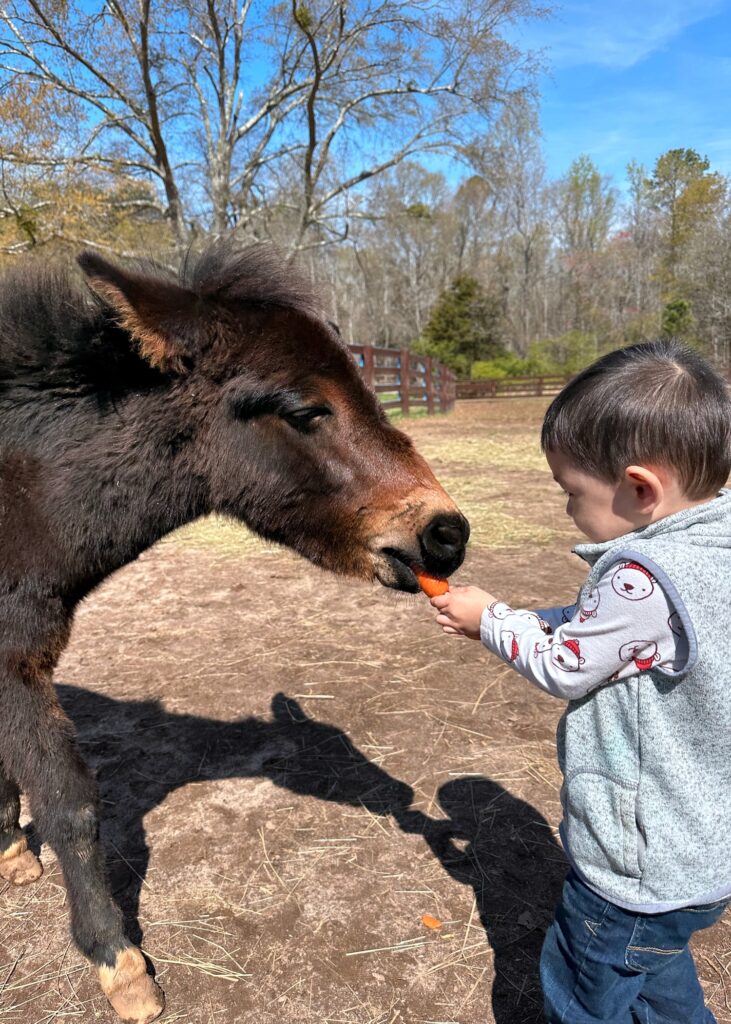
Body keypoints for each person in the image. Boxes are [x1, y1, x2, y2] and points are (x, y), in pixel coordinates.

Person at [431, 340, 731, 1023]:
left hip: (634, 869)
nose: (568, 509)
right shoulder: (712, 545)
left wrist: (489, 621)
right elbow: (608, 631)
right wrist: (524, 618)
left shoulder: (640, 577)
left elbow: (565, 664)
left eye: (572, 493)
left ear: (640, 489)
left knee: (580, 990)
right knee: (654, 970)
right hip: (702, 851)